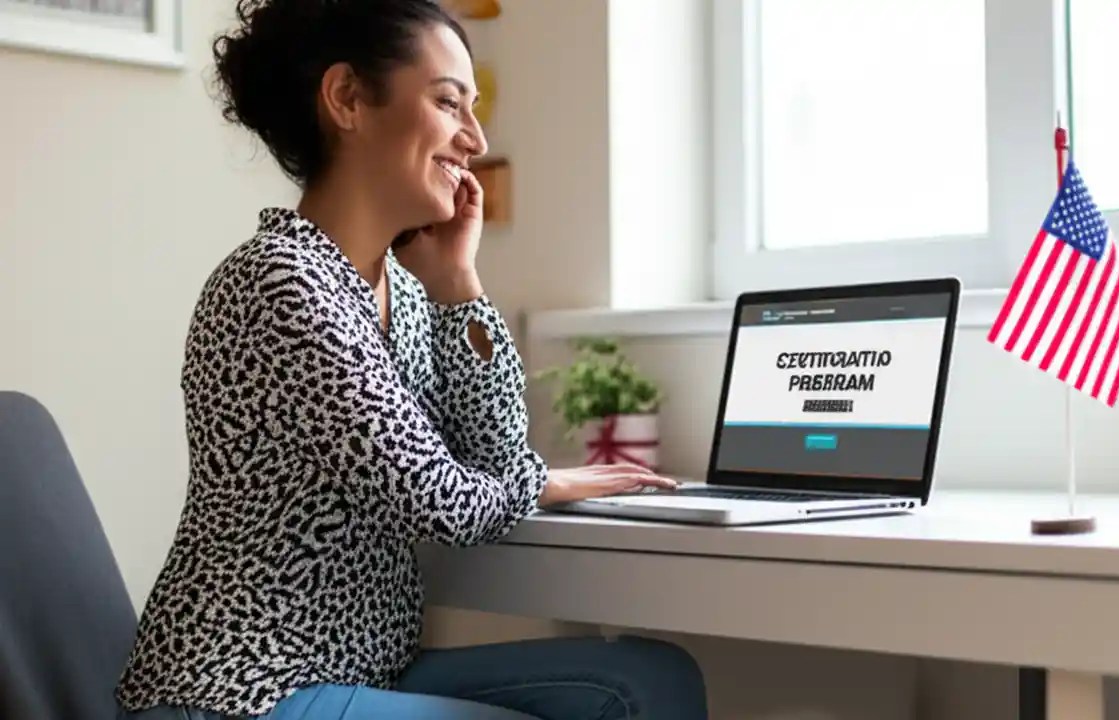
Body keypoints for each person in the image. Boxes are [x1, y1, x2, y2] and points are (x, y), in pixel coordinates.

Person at [113, 1, 709, 718]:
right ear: (347, 99)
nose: (475, 138)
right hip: (243, 692)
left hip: (363, 671)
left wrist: (460, 285)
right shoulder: (281, 282)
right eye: (448, 102)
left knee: (652, 679)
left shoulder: (406, 288)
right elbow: (446, 505)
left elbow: (494, 455)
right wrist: (542, 484)